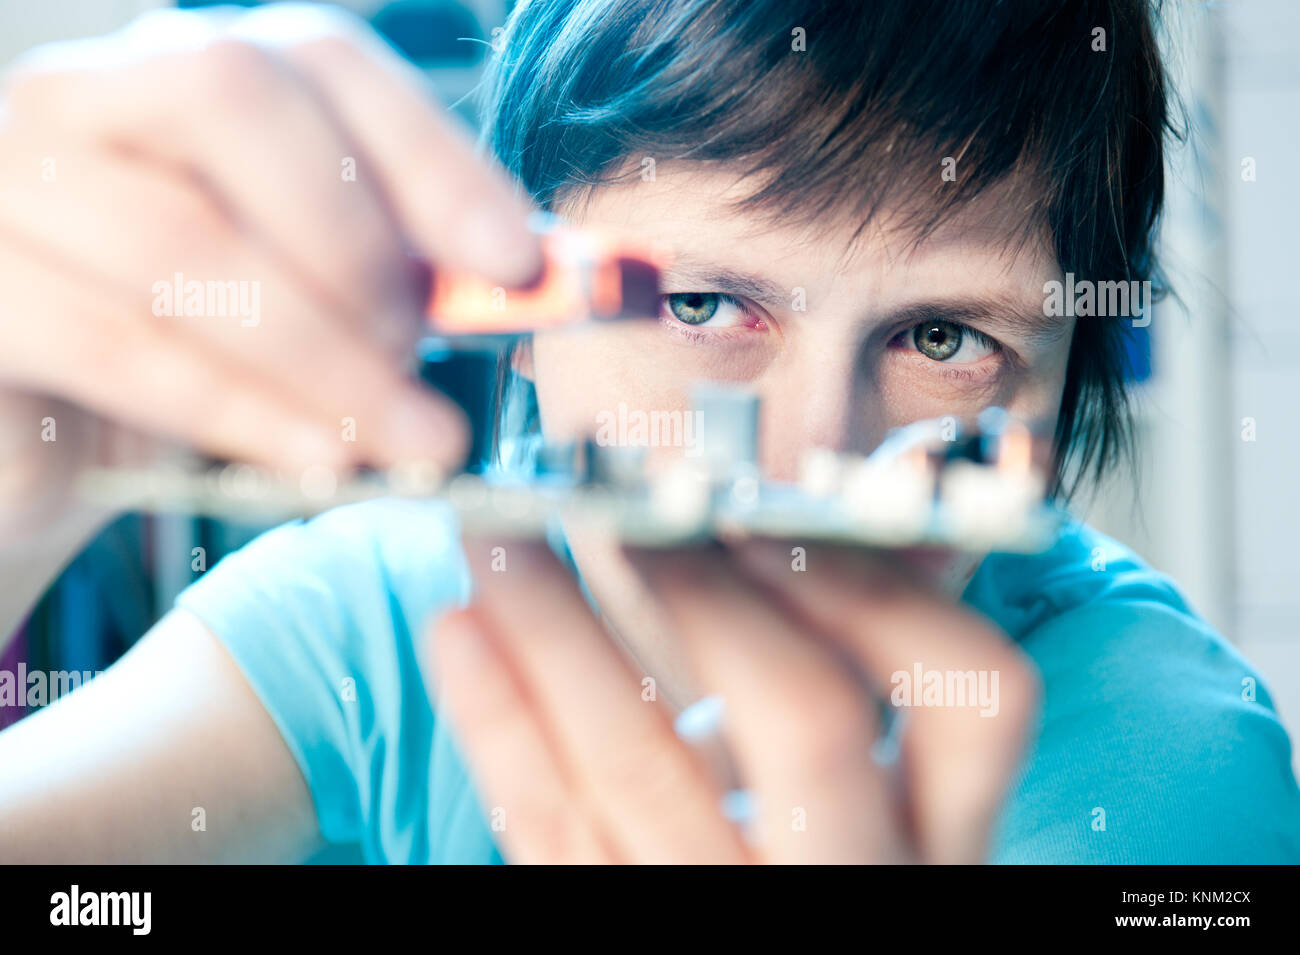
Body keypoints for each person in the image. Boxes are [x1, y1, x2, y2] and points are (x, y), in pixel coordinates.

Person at [0, 0, 1296, 864]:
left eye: (944, 339)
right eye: (700, 303)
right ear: (518, 317)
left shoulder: (1166, 765)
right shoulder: (385, 606)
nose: (799, 462)